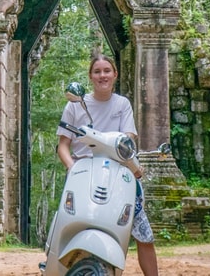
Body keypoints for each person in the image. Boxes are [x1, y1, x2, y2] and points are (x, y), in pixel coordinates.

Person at [56, 56, 159, 276]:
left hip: (117, 171)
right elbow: (63, 145)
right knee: (66, 218)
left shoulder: (122, 104)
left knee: (143, 231)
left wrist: (129, 160)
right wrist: (72, 167)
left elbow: (128, 139)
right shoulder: (75, 105)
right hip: (83, 172)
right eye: (97, 71)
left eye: (106, 71)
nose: (102, 76)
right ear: (90, 76)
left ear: (115, 75)